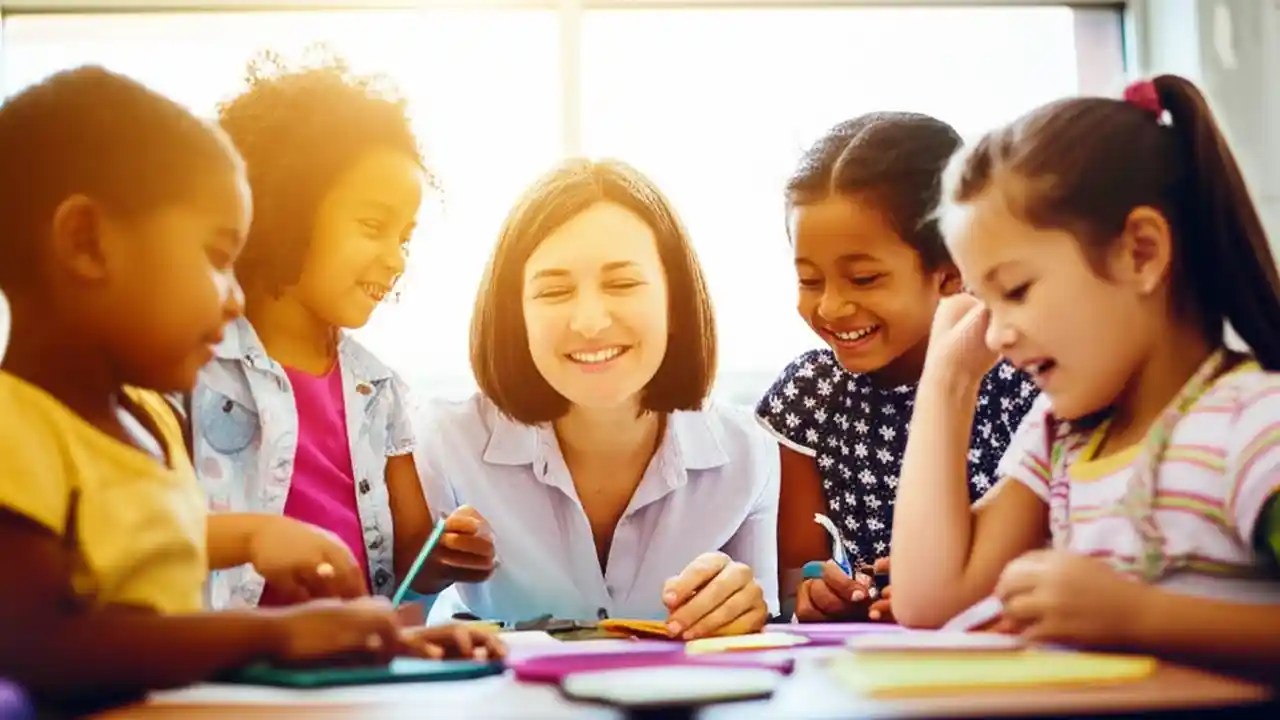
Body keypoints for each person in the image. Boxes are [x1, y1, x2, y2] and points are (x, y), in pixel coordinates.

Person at [0, 66, 500, 707]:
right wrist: (274, 634)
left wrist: (386, 641)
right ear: (87, 243)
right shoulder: (16, 429)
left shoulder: (144, 427)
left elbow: (167, 576)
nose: (233, 299)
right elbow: (33, 646)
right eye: (215, 259)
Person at [891, 76, 1280, 667]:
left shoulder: (1252, 428)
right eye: (983, 302)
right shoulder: (1064, 440)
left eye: (1016, 290)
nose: (994, 334)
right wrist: (948, 376)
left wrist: (1139, 617)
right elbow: (929, 601)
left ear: (1141, 253)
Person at [418, 159, 780, 639]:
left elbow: (761, 644)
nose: (589, 320)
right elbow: (387, 631)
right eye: (554, 290)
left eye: (623, 283)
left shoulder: (747, 454)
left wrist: (746, 612)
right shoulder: (444, 444)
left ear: (674, 302)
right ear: (515, 316)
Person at [193, 53, 494, 608]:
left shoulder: (380, 392)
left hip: (349, 662)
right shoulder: (192, 363)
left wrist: (445, 555)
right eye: (374, 227)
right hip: (228, 665)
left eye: (404, 237)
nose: (397, 259)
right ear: (287, 206)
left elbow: (407, 561)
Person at [755, 113, 1037, 622]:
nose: (831, 307)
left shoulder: (1027, 379)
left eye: (863, 278)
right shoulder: (808, 397)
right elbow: (799, 579)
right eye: (810, 280)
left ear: (951, 275)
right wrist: (824, 594)